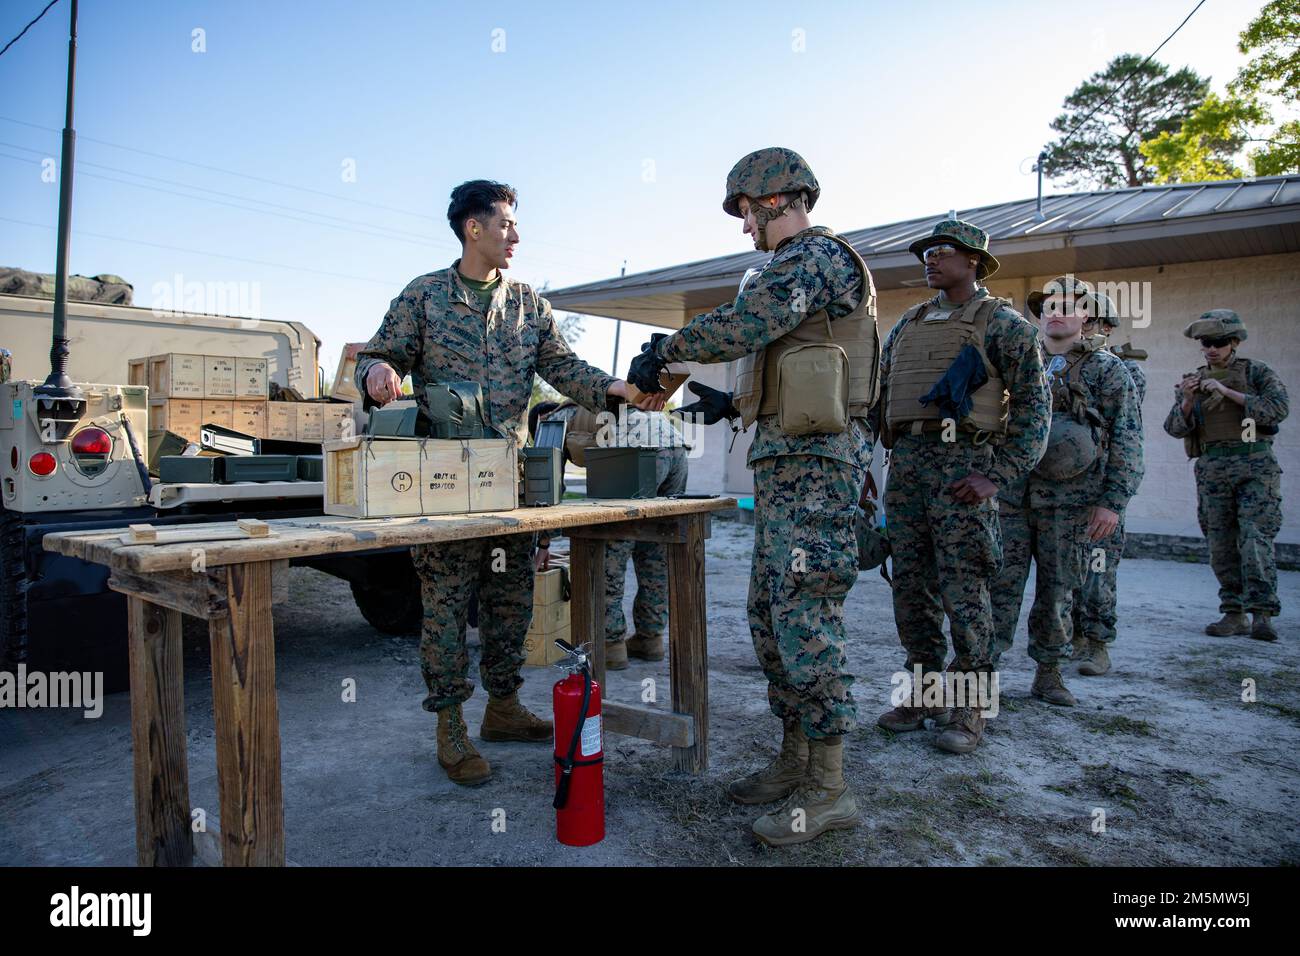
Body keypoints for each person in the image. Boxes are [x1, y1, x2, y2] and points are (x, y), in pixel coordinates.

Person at [354, 179, 661, 786]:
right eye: (507, 224)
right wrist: (380, 371)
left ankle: (501, 706)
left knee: (510, 598)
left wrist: (615, 389)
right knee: (443, 606)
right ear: (475, 228)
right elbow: (374, 356)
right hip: (442, 486)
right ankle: (449, 724)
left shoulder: (528, 304)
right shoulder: (425, 297)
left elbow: (562, 366)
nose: (516, 236)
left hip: (510, 485)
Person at [627, 147, 879, 846]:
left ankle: (830, 788)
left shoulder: (816, 258)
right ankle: (796, 760)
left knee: (805, 617)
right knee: (771, 615)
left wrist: (669, 348)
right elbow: (766, 348)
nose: (744, 229)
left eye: (744, 213)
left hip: (819, 470)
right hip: (785, 468)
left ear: (775, 201)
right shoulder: (792, 270)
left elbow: (750, 319)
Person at [874, 220, 1049, 753]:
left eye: (941, 252)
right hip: (906, 466)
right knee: (911, 587)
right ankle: (924, 694)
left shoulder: (1004, 325)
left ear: (973, 260)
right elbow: (881, 395)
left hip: (963, 466)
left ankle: (970, 705)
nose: (929, 260)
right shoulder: (909, 322)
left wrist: (996, 475)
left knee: (966, 588)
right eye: (925, 253)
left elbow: (1035, 407)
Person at [988, 277, 1144, 705]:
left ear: (1086, 317)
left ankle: (1049, 672)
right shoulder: (1016, 361)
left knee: (1059, 589)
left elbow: (1128, 438)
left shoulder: (1107, 370)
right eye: (1048, 306)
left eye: (1068, 306)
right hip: (1012, 497)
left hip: (1073, 501)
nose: (1056, 312)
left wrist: (1112, 502)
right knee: (999, 586)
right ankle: (984, 673)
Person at [529, 400, 689, 667]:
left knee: (609, 554)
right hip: (674, 448)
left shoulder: (552, 420)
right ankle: (650, 639)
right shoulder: (588, 409)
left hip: (639, 452)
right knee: (655, 549)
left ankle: (611, 645)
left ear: (541, 418)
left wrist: (544, 540)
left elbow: (546, 479)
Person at [1162, 310, 1288, 641]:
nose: (1212, 349)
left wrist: (1227, 391)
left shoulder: (1256, 372)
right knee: (1220, 544)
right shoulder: (1194, 380)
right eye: (1206, 343)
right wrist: (1188, 400)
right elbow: (1175, 428)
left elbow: (1277, 409)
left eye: (1219, 343)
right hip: (1213, 468)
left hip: (1254, 465)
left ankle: (1262, 613)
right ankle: (1233, 613)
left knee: (1254, 540)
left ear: (1234, 342)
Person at [1068, 287, 1148, 674]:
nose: (1085, 328)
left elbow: (1127, 435)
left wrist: (1114, 499)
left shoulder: (1122, 370)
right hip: (1059, 489)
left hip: (1098, 487)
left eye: (1093, 322)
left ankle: (1097, 643)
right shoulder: (1054, 363)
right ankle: (1071, 639)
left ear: (1107, 327)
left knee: (1098, 569)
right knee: (1066, 570)